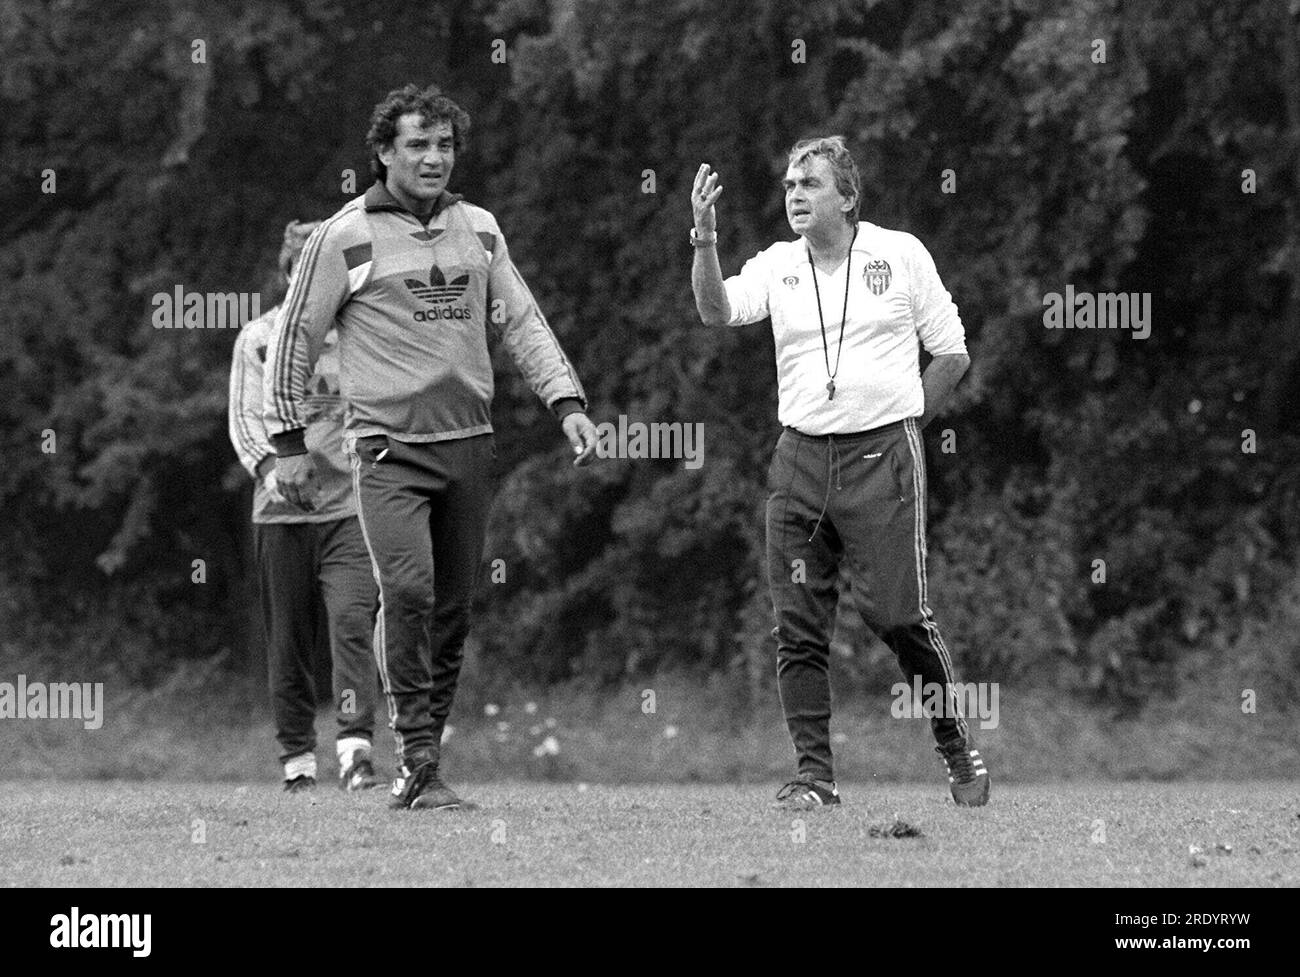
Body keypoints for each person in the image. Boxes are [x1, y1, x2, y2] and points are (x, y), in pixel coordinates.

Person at [265, 84, 597, 811]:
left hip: (469, 445)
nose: (433, 157)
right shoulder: (342, 236)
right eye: (417, 144)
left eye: (444, 144)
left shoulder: (479, 229)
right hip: (387, 449)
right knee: (407, 591)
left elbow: (523, 321)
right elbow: (293, 338)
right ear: (383, 152)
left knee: (452, 611)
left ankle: (425, 760)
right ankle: (415, 754)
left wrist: (565, 400)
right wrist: (287, 441)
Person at [689, 136, 990, 809]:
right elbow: (715, 310)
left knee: (897, 615)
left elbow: (953, 352)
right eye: (790, 183)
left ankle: (953, 743)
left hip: (882, 458)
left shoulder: (899, 254)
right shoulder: (775, 264)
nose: (795, 194)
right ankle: (814, 777)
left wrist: (906, 423)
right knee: (797, 626)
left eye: (810, 183)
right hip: (799, 461)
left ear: (848, 197)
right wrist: (704, 242)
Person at [228, 220, 382, 793]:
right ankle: (297, 760)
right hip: (280, 513)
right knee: (288, 639)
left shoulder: (363, 338)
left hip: (349, 510)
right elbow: (245, 421)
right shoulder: (258, 340)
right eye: (301, 276)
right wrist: (273, 471)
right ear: (286, 275)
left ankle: (355, 749)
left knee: (350, 625)